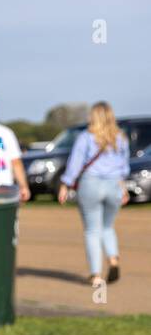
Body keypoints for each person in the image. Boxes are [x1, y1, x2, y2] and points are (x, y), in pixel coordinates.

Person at [57, 101, 130, 288]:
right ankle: (113, 259)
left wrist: (65, 184)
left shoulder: (86, 137)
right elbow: (123, 167)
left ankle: (96, 274)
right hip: (114, 185)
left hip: (91, 184)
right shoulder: (120, 138)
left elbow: (75, 163)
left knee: (92, 230)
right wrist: (123, 189)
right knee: (107, 227)